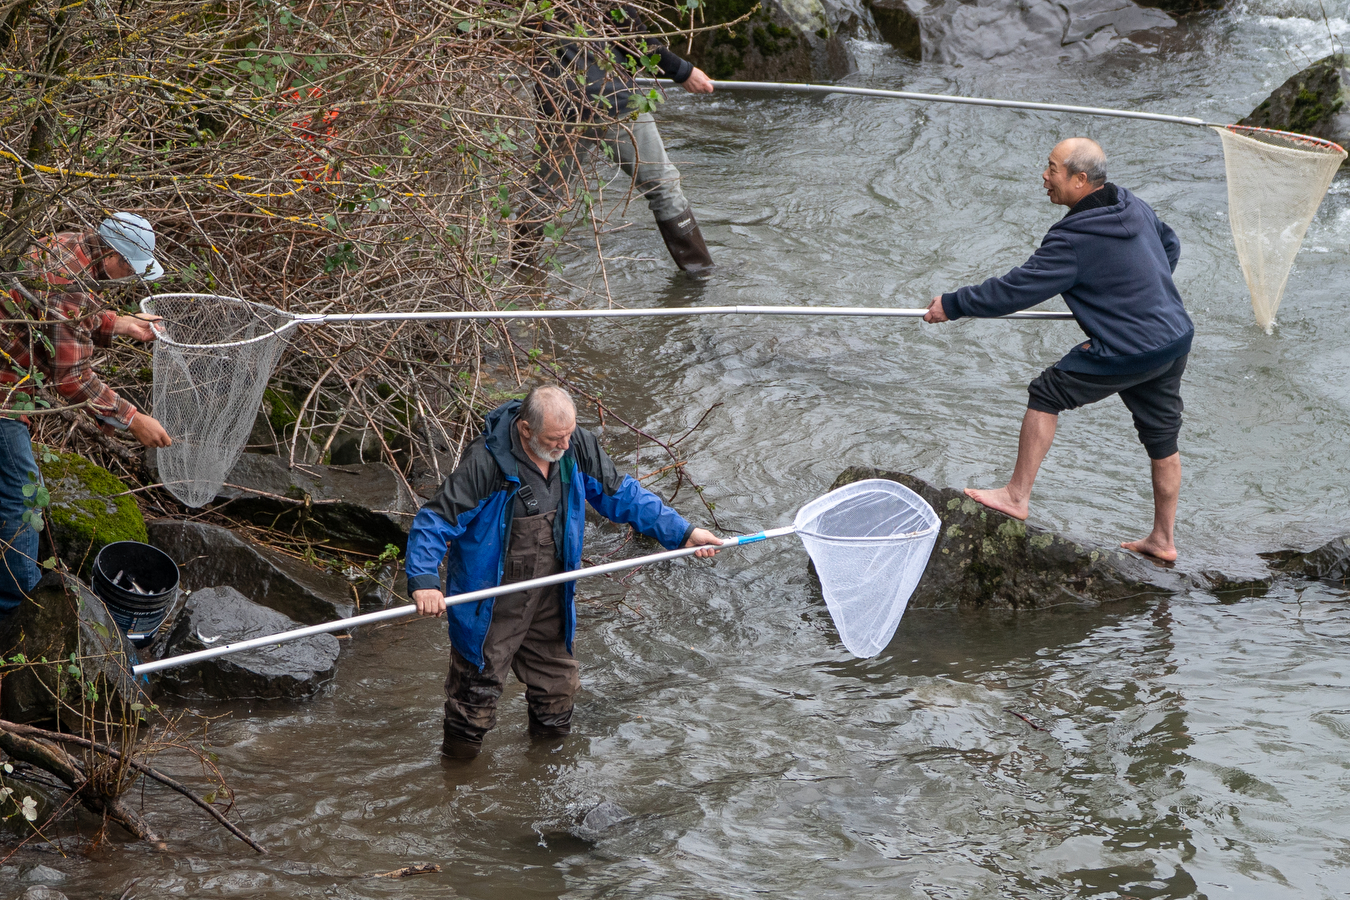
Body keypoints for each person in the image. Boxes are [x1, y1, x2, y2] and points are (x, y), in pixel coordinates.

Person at [405, 385, 723, 758]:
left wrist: (683, 533)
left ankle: (545, 768)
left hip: (551, 595)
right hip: (490, 601)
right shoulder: (486, 463)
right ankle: (456, 779)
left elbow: (621, 494)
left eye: (569, 435)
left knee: (558, 689)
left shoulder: (578, 448)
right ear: (525, 429)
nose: (566, 446)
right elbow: (436, 521)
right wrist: (424, 581)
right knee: (474, 699)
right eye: (555, 439)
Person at [923, 138, 1193, 562]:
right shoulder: (1130, 203)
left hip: (1131, 347)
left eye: (1052, 169)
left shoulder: (1073, 238)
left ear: (1080, 180)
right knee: (1162, 439)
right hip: (1174, 337)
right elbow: (1170, 245)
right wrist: (1139, 294)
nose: (1044, 178)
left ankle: (1016, 495)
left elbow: (1017, 290)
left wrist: (952, 305)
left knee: (1046, 393)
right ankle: (1163, 540)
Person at [0, 213, 173, 619]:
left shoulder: (68, 243)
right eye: (129, 268)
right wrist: (133, 419)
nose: (130, 277)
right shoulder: (68, 282)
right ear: (113, 255)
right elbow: (72, 379)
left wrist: (121, 324)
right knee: (22, 495)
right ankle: (19, 609)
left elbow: (61, 315)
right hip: (4, 389)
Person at [529, 5, 716, 272]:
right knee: (662, 187)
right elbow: (637, 42)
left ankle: (521, 270)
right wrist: (685, 72)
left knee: (542, 194)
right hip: (615, 103)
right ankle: (700, 275)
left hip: (559, 105)